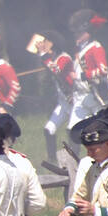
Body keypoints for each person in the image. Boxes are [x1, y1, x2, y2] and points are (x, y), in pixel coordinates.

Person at [30, 31, 76, 164]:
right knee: (48, 129)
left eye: (47, 41)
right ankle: (52, 159)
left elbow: (56, 70)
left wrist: (43, 55)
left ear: (53, 43)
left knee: (71, 131)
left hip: (73, 101)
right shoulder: (54, 58)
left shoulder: (64, 57)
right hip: (63, 102)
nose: (44, 43)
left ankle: (73, 159)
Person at [68, 9, 108, 123]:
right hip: (89, 95)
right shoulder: (79, 50)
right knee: (72, 130)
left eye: (79, 33)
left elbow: (103, 70)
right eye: (76, 33)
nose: (76, 35)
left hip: (101, 95)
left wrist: (81, 76)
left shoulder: (96, 47)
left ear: (87, 32)